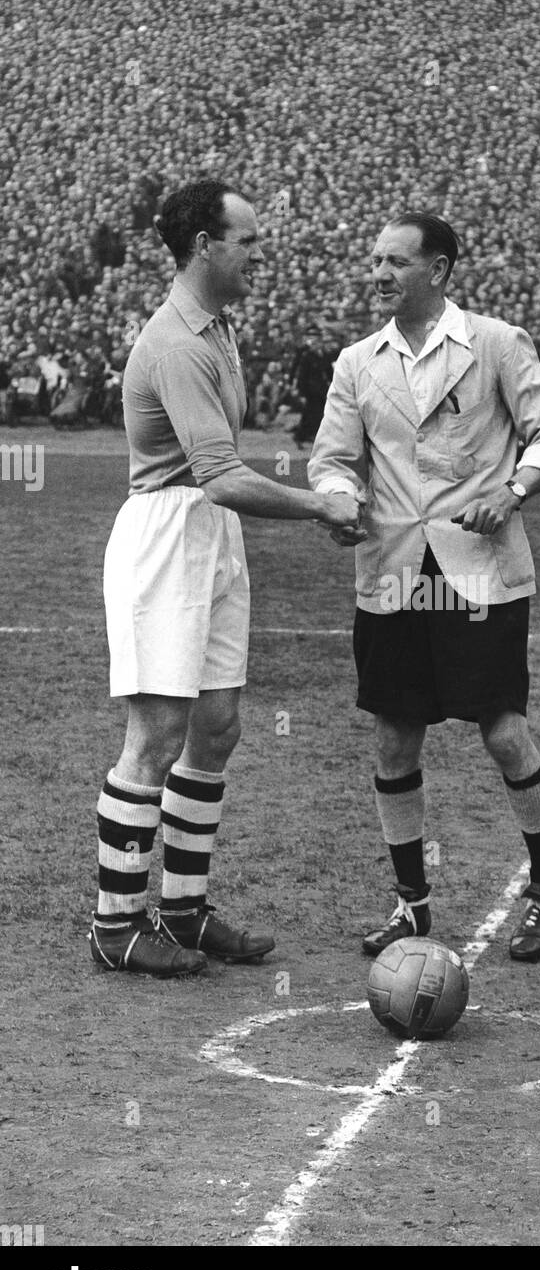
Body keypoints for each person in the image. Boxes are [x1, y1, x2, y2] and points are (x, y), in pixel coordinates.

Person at [91, 178, 359, 978]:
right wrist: (321, 505)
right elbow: (217, 474)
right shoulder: (176, 341)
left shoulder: (217, 327)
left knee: (217, 726)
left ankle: (182, 908)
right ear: (204, 246)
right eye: (246, 240)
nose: (257, 252)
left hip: (209, 535)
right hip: (169, 532)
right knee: (156, 735)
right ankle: (115, 926)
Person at [308, 211, 540, 962]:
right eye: (375, 259)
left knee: (502, 730)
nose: (380, 272)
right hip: (393, 570)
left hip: (479, 569)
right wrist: (336, 495)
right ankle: (412, 903)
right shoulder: (357, 361)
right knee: (396, 736)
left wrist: (516, 491)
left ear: (441, 269)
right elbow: (333, 456)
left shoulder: (495, 343)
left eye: (396, 260)